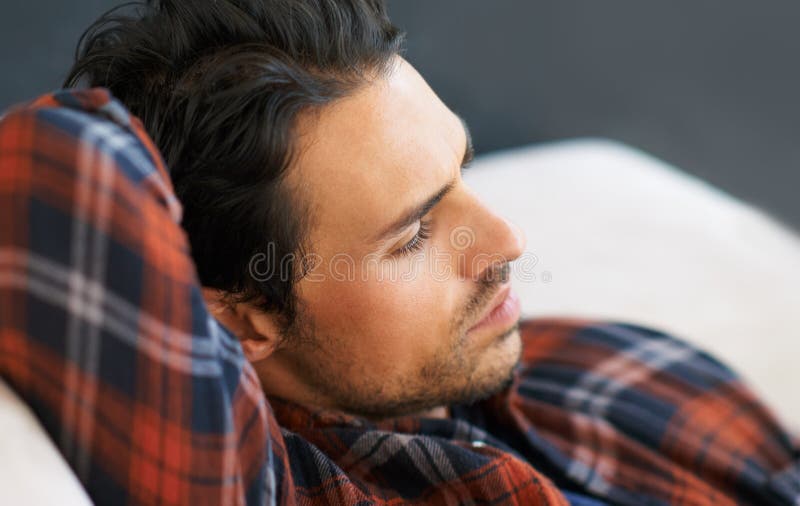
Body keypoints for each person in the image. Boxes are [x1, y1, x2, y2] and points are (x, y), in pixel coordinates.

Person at [0, 1, 797, 504]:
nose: (506, 243)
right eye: (413, 234)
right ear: (243, 320)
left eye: (462, 171)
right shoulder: (251, 482)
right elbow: (54, 170)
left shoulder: (610, 367)